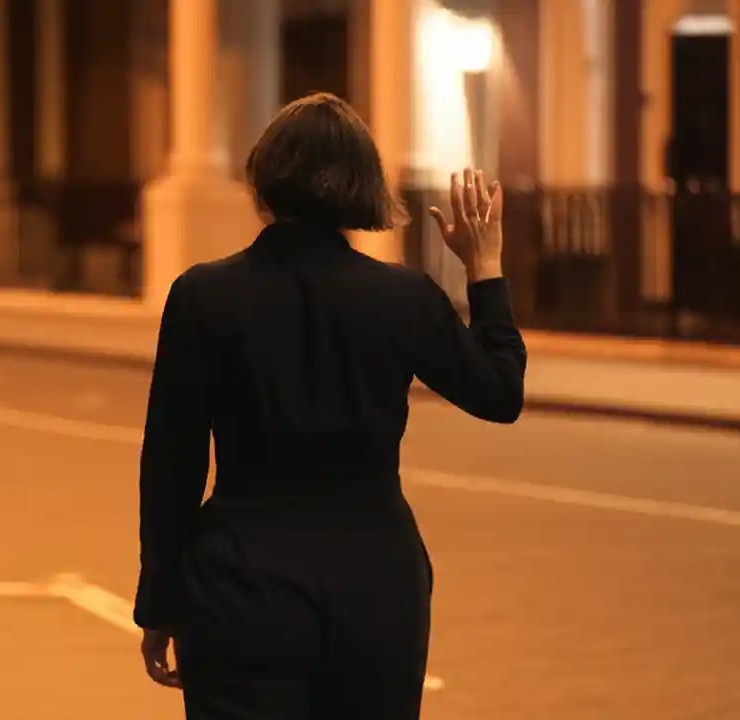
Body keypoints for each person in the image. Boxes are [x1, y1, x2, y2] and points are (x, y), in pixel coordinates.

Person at [135, 92, 526, 719]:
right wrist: (484, 269)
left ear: (263, 179)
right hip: (378, 583)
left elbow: (171, 465)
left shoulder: (204, 296)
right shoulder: (405, 298)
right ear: (362, 185)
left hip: (242, 581)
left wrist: (159, 604)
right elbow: (500, 394)